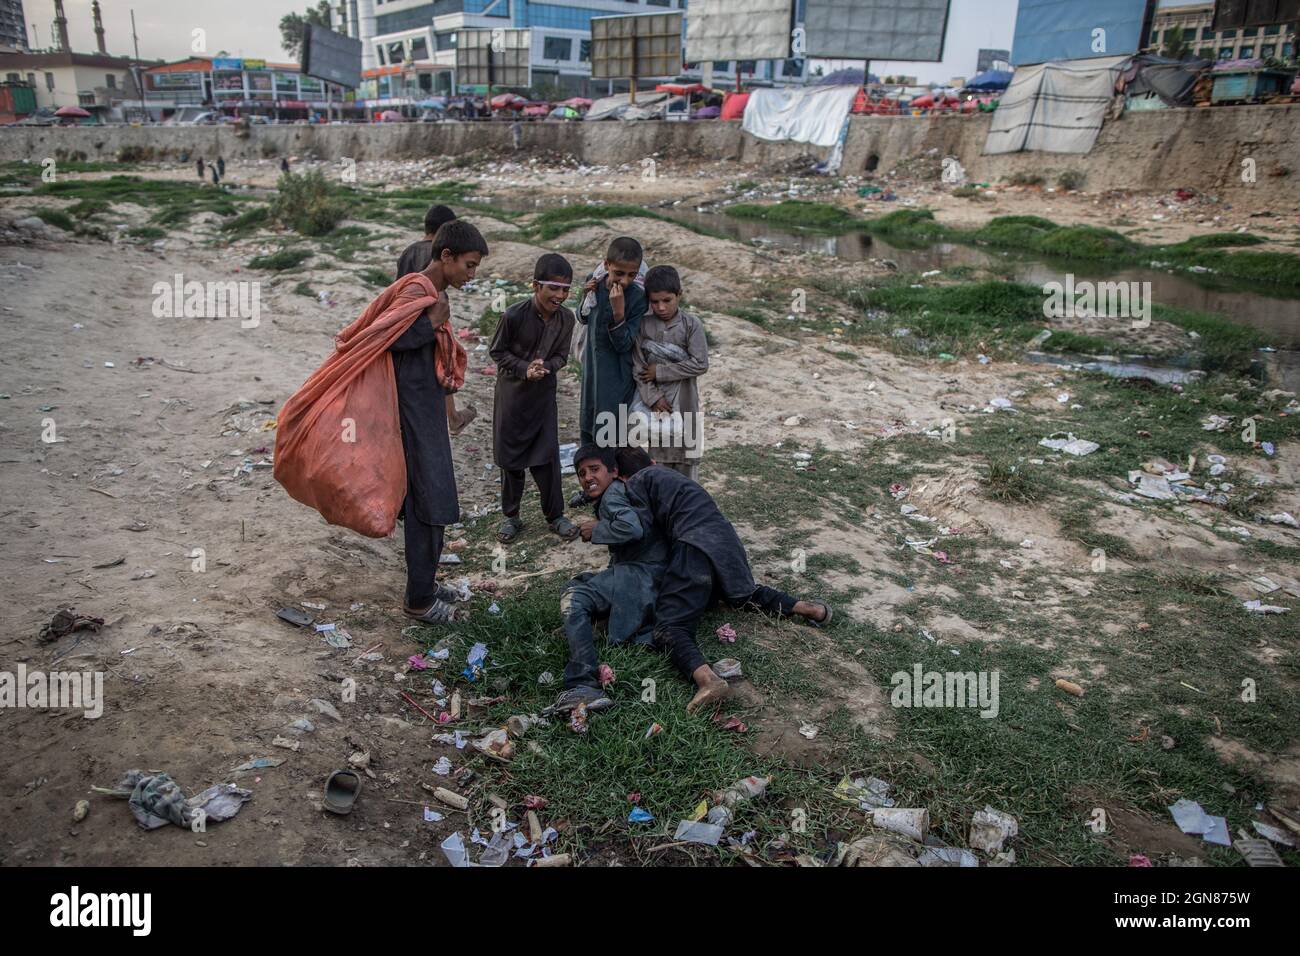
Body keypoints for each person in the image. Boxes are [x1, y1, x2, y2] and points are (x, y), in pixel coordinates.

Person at [617, 448, 833, 713]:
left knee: (670, 626)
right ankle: (811, 609)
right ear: (653, 461)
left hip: (694, 545)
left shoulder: (636, 483)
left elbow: (640, 532)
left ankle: (708, 680)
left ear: (623, 478)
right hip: (726, 542)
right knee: (744, 595)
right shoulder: (671, 476)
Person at [391, 220, 488, 624]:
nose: (472, 275)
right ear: (445, 256)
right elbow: (385, 339)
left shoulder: (433, 293)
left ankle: (426, 584)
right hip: (410, 410)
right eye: (468, 265)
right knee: (425, 502)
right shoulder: (416, 291)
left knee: (435, 497)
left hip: (426, 406)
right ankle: (418, 600)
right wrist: (430, 323)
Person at [547, 444, 670, 714]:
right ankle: (587, 630)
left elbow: (632, 528)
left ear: (614, 472)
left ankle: (583, 683)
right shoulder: (618, 490)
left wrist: (598, 529)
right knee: (578, 584)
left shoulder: (613, 495)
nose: (588, 477)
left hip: (644, 576)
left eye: (594, 470)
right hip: (653, 576)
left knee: (574, 597)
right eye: (581, 473)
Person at [489, 253, 580, 543]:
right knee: (511, 460)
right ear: (535, 286)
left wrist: (546, 367)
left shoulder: (566, 319)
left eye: (565, 289)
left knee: (547, 459)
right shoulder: (513, 315)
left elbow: (561, 356)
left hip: (542, 399)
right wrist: (523, 368)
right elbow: (497, 352)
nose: (560, 295)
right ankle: (511, 517)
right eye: (553, 288)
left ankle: (555, 515)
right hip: (512, 398)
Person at [396, 204, 475, 436]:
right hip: (427, 321)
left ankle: (452, 416)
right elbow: (434, 290)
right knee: (442, 364)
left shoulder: (408, 251)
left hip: (407, 319)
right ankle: (452, 417)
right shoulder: (435, 253)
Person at [632, 266, 709, 481]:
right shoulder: (643, 325)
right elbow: (638, 367)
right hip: (658, 405)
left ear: (679, 295)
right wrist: (653, 397)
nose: (661, 307)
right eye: (655, 302)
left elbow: (701, 364)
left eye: (667, 300)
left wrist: (661, 371)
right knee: (661, 457)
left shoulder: (691, 325)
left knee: (687, 459)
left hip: (685, 400)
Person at [577, 237, 647, 449]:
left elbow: (624, 344)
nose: (624, 281)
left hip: (617, 378)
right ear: (607, 265)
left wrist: (618, 313)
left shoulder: (636, 297)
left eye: (631, 275)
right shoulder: (595, 282)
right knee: (588, 427)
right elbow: (583, 318)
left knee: (611, 437)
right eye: (619, 273)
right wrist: (585, 297)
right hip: (592, 374)